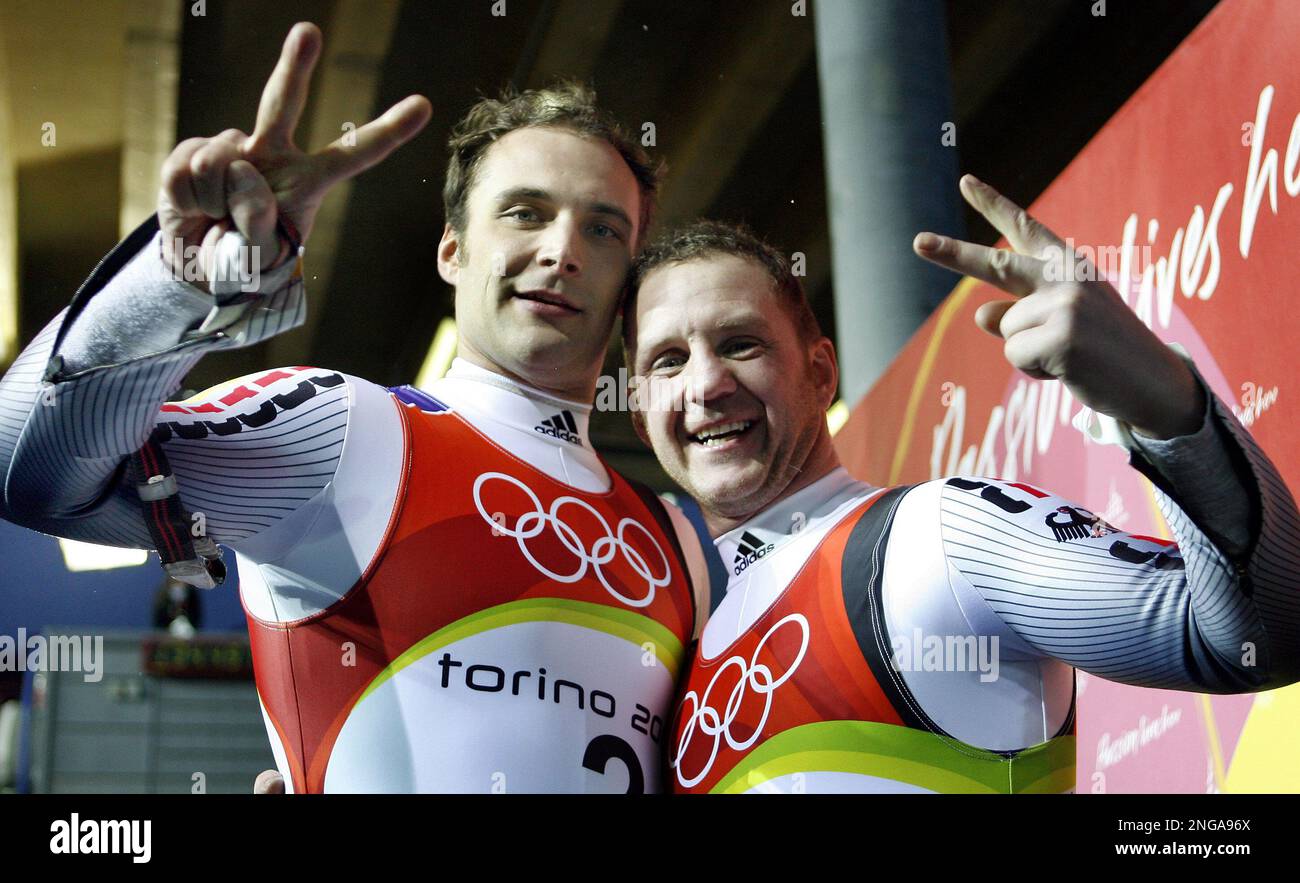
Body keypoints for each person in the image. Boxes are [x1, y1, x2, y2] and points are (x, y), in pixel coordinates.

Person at [0, 23, 710, 793]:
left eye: (603, 228)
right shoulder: (348, 430)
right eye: (524, 212)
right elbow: (26, 471)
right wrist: (180, 285)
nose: (562, 250)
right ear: (452, 250)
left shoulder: (674, 538)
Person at [621, 180, 1300, 794]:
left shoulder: (938, 536)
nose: (706, 385)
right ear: (640, 414)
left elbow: (1263, 640)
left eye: (741, 343)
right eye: (668, 360)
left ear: (822, 373)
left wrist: (1165, 404)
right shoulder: (678, 666)